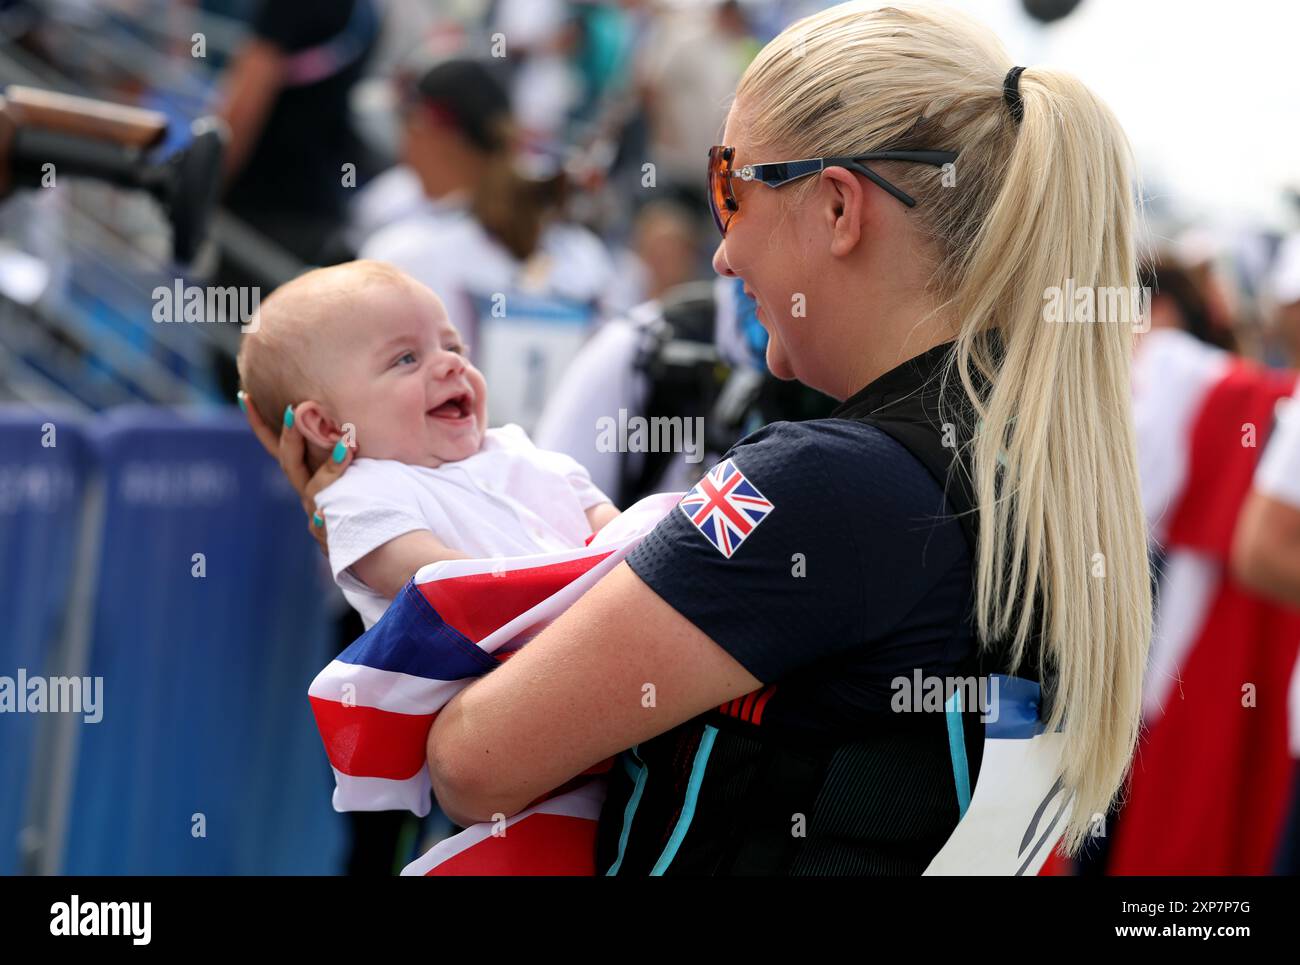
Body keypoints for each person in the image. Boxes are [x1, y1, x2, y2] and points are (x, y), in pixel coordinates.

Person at [250, 1, 1152, 873]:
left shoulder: (826, 488)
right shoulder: (1044, 478)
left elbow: (474, 759)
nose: (721, 252)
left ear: (839, 208)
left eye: (732, 185)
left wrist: (371, 507)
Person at [237, 260, 619, 631]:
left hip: (605, 626)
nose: (451, 365)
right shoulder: (360, 496)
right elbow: (442, 585)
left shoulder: (512, 446)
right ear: (325, 425)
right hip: (507, 673)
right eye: (406, 358)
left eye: (453, 347)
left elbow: (608, 523)